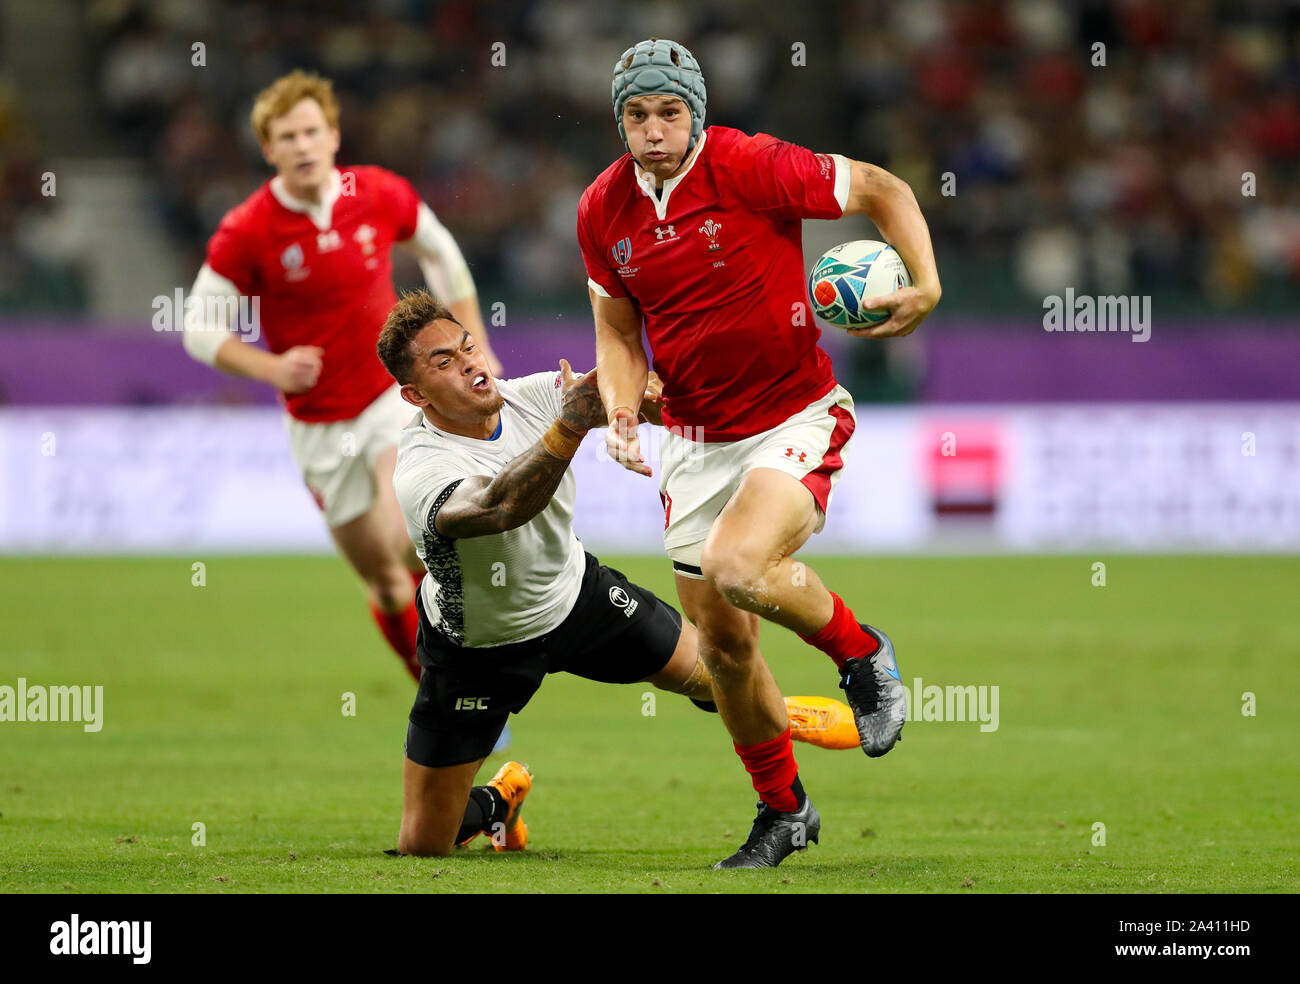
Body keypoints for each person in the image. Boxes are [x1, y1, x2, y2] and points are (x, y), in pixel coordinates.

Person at [578, 38, 942, 868]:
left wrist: (925, 281)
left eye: (670, 112)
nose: (654, 130)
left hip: (792, 417)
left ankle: (861, 653)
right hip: (695, 442)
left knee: (738, 566)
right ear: (621, 123)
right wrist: (624, 405)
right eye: (637, 115)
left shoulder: (749, 164)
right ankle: (783, 812)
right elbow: (616, 331)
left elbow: (884, 189)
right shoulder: (603, 210)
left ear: (695, 113)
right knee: (725, 649)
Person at [376, 290, 860, 857]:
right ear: (414, 395)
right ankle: (499, 803)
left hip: (579, 601)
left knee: (721, 667)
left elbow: (630, 394)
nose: (470, 364)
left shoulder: (530, 395)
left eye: (467, 347)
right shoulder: (422, 467)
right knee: (424, 845)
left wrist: (648, 402)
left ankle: (782, 733)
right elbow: (498, 508)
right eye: (444, 363)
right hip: (478, 649)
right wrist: (571, 426)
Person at [181, 70, 498, 688]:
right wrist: (270, 367)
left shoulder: (376, 192)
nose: (301, 146)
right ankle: (440, 688)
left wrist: (475, 343)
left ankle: (472, 669)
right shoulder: (248, 228)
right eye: (285, 137)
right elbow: (197, 326)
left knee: (407, 534)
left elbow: (441, 251)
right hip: (318, 428)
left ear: (332, 136)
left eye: (310, 131)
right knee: (383, 580)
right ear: (268, 150)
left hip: (389, 400)